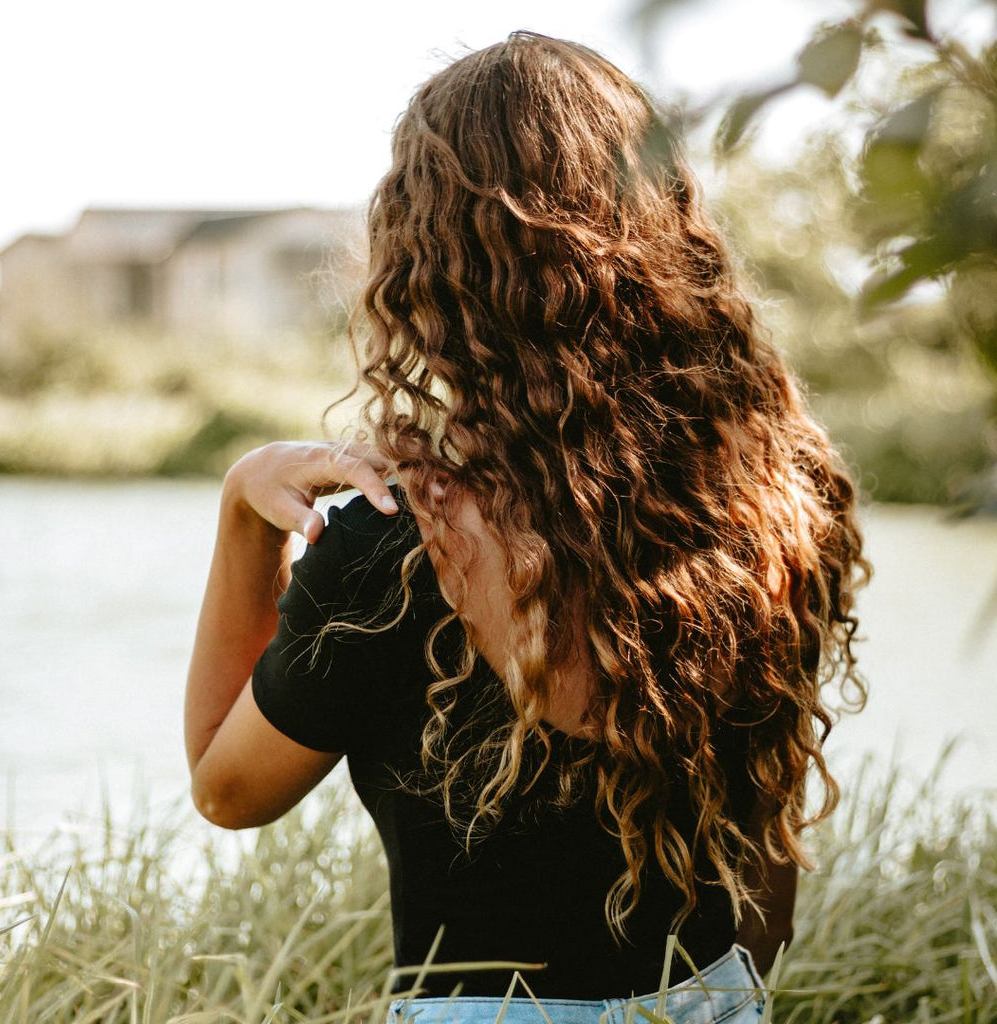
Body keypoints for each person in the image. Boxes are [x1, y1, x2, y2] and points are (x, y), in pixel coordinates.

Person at [185, 32, 869, 1024]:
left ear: (424, 262)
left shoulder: (397, 547)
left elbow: (226, 791)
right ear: (664, 222)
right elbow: (769, 883)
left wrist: (244, 509)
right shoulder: (767, 503)